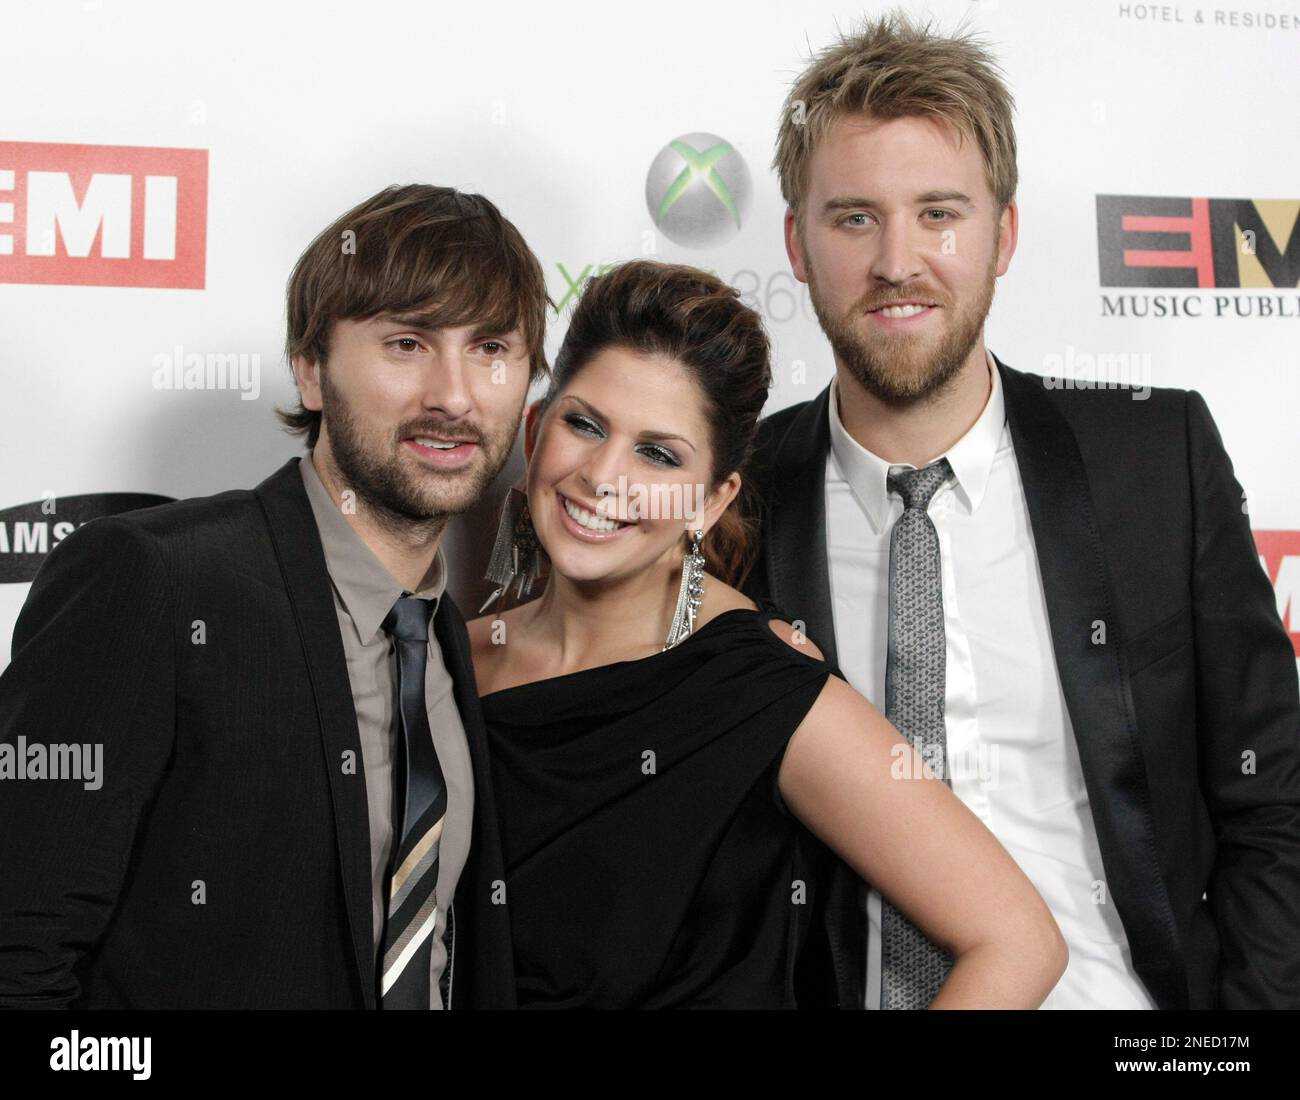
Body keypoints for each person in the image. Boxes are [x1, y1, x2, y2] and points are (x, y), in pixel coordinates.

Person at [745, 10, 1300, 1009]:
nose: (898, 261)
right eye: (854, 216)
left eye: (939, 213)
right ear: (796, 241)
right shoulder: (736, 495)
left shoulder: (1153, 458)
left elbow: (1273, 804)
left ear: (1003, 233)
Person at [0, 183, 548, 1009]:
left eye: (491, 348)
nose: (455, 394)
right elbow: (20, 961)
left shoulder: (444, 642)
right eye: (406, 343)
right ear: (311, 368)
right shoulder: (153, 580)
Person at [465, 258, 1067, 1009]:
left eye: (659, 454)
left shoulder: (761, 686)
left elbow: (1016, 939)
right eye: (584, 425)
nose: (604, 475)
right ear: (534, 429)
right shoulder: (456, 661)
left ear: (711, 503)